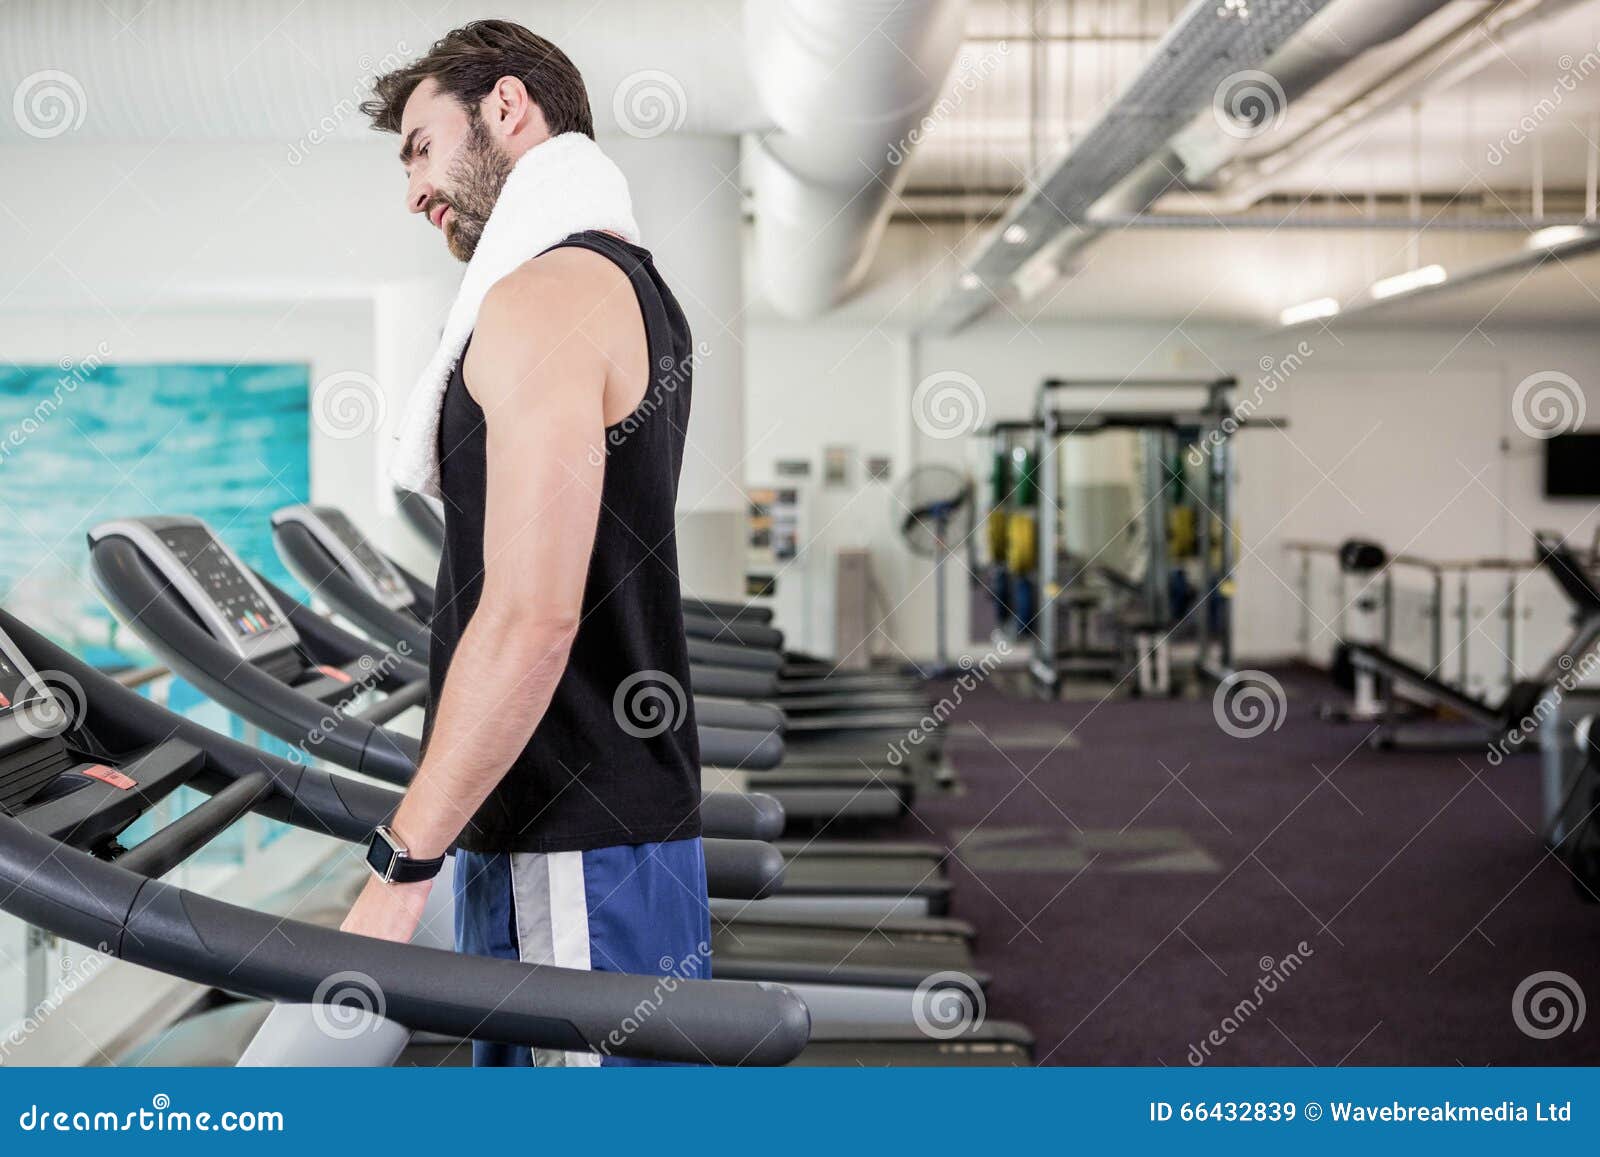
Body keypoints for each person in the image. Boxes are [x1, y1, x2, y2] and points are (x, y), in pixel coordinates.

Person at [338, 20, 707, 1067]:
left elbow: (534, 614)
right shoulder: (618, 282)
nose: (412, 190)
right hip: (580, 823)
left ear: (506, 108)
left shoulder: (546, 295)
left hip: (571, 835)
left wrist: (397, 869)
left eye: (419, 145)